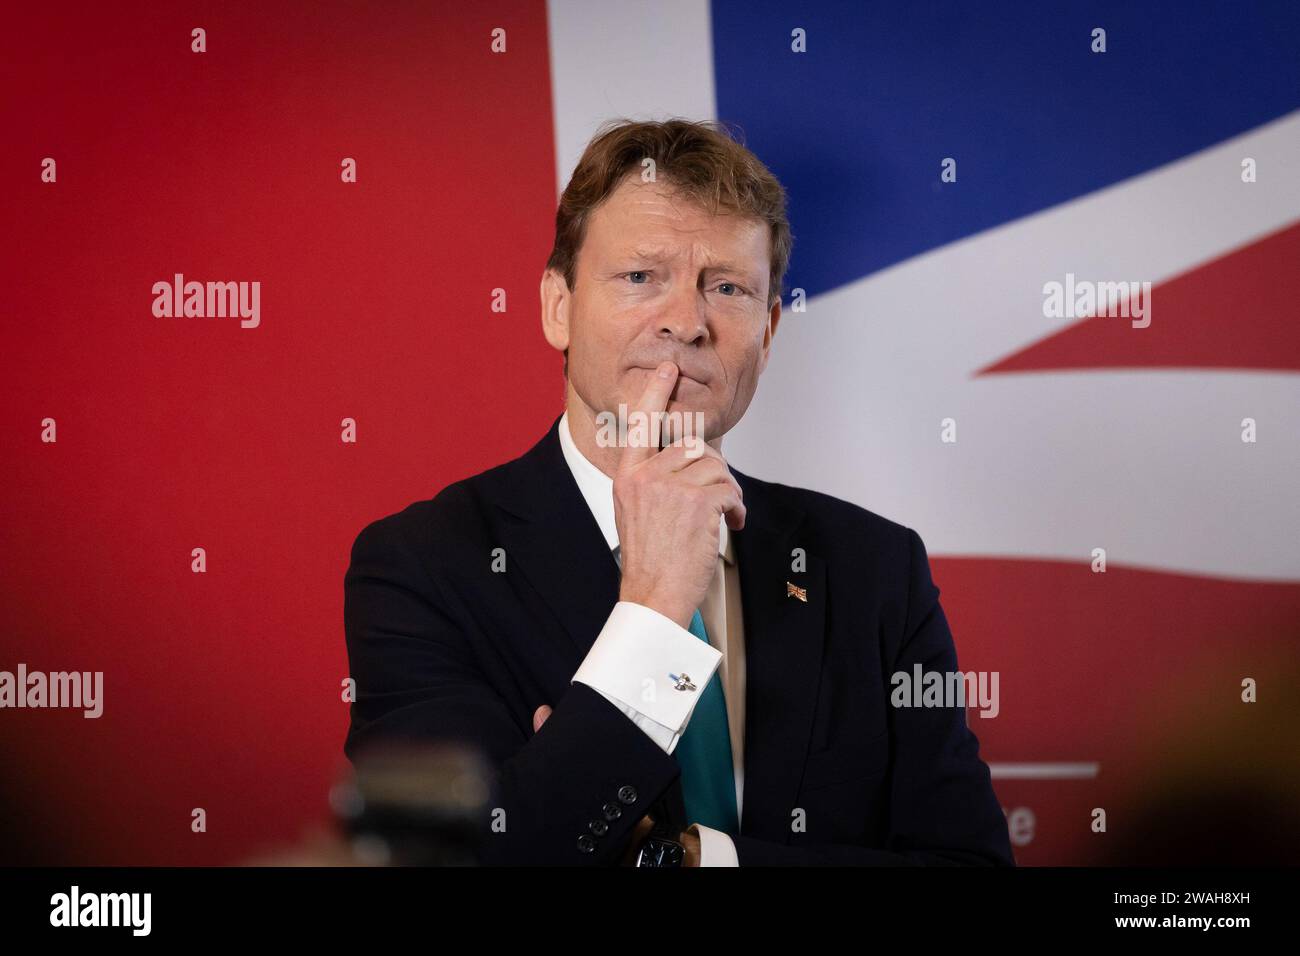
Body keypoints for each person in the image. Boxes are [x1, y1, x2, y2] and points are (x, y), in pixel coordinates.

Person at [343, 118, 1014, 866]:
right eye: (641, 278)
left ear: (768, 332)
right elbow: (461, 860)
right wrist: (656, 607)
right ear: (556, 307)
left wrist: (693, 860)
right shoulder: (422, 565)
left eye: (727, 287)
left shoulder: (876, 568)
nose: (687, 322)